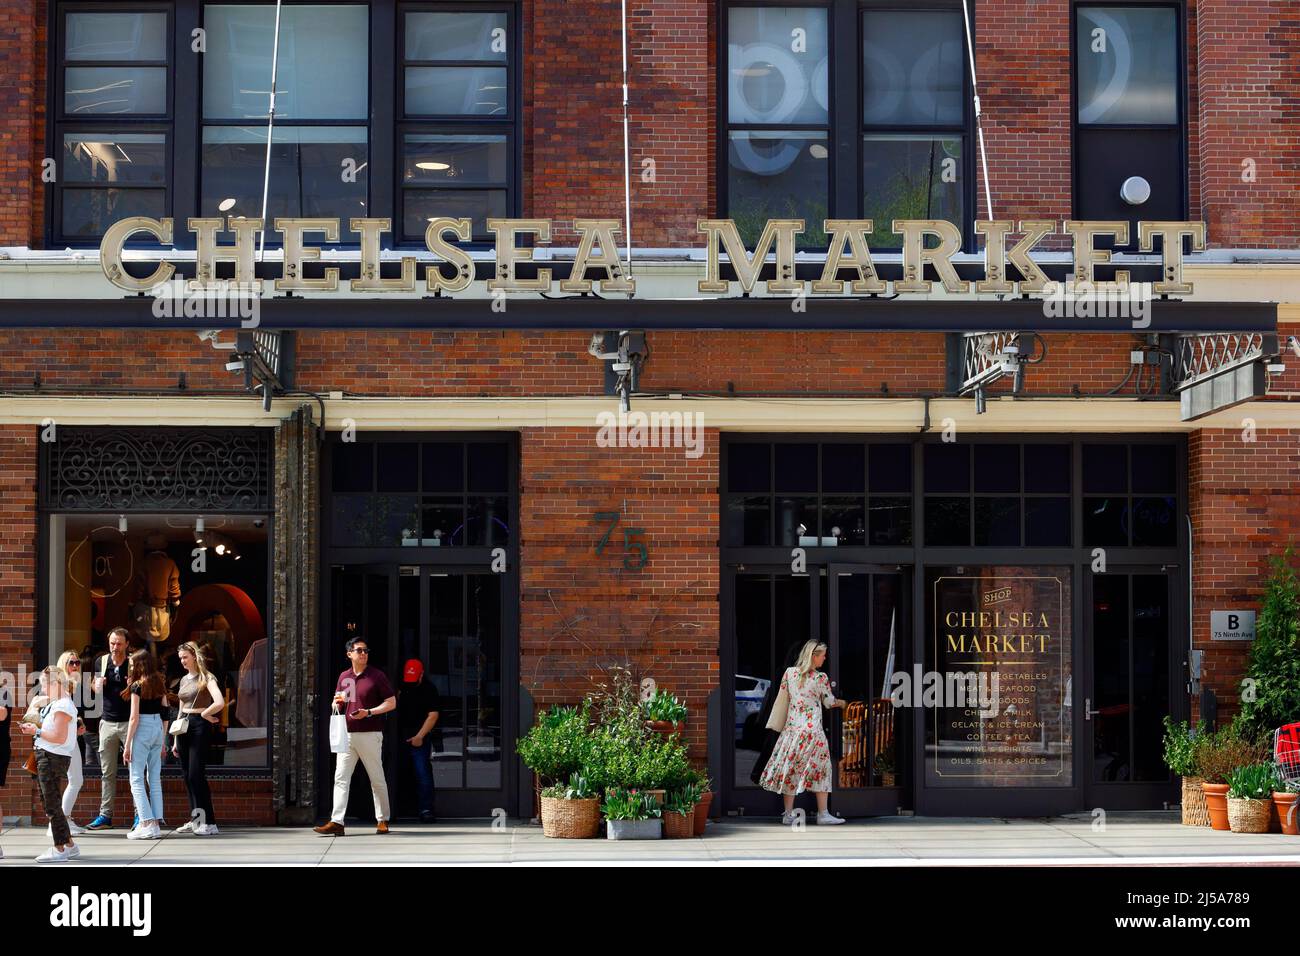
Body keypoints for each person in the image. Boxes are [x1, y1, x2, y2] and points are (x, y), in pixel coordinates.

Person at [758, 639, 848, 825]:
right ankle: (823, 814)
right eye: (822, 655)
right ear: (814, 657)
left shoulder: (790, 674)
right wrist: (842, 703)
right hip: (813, 731)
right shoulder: (820, 678)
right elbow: (829, 702)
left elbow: (782, 699)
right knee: (821, 770)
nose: (825, 658)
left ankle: (788, 814)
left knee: (791, 769)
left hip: (792, 731)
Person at [314, 637, 396, 836]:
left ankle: (382, 820)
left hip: (370, 734)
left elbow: (391, 702)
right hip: (347, 734)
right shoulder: (344, 677)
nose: (363, 654)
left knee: (376, 779)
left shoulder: (376, 676)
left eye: (366, 650)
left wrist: (368, 712)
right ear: (349, 654)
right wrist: (336, 704)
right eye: (359, 650)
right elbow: (338, 701)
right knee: (341, 778)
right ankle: (337, 822)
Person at [17, 666, 80, 862]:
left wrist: (34, 731)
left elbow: (58, 737)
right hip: (47, 755)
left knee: (51, 804)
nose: (42, 688)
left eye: (44, 683)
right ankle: (69, 845)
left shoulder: (63, 706)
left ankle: (59, 849)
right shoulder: (58, 703)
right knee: (51, 803)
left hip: (52, 757)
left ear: (55, 683)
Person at [27, 652, 89, 839]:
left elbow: (67, 713)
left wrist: (77, 721)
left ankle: (63, 824)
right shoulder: (58, 690)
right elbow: (50, 715)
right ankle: (61, 823)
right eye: (72, 662)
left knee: (64, 786)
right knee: (64, 787)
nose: (76, 665)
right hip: (54, 745)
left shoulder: (75, 687)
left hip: (59, 742)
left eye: (78, 662)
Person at [170, 641, 225, 835]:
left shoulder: (207, 677)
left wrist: (204, 714)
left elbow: (219, 701)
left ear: (194, 656)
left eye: (185, 657)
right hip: (183, 725)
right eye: (180, 658)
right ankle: (196, 819)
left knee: (196, 774)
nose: (182, 661)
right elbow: (180, 708)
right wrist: (175, 739)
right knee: (187, 775)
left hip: (199, 725)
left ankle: (209, 823)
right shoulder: (184, 680)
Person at [86, 627, 131, 830]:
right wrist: (97, 685)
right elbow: (95, 690)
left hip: (130, 723)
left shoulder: (133, 663)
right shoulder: (101, 662)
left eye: (119, 643)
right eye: (112, 643)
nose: (115, 647)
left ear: (127, 644)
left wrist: (134, 685)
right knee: (107, 773)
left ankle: (141, 815)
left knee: (136, 772)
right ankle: (105, 816)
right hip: (107, 722)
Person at [122, 649, 167, 840]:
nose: (130, 666)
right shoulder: (160, 682)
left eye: (132, 664)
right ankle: (155, 823)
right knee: (154, 778)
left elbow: (134, 718)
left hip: (143, 727)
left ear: (139, 665)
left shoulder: (137, 686)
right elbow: (166, 712)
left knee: (136, 779)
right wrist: (163, 739)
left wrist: (127, 744)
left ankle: (146, 822)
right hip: (158, 727)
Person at [398, 659, 441, 823]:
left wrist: (419, 737)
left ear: (421, 674)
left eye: (414, 678)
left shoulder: (429, 689)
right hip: (400, 736)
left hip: (419, 737)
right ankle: (400, 807)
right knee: (399, 771)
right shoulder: (401, 686)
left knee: (422, 772)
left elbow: (433, 715)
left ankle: (426, 809)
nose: (411, 682)